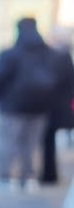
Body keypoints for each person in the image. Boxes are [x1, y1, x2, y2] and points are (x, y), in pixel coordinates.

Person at [0, 18, 58, 193]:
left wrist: (2, 99)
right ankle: (28, 178)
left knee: (9, 142)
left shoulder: (11, 53)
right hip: (40, 107)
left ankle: (6, 177)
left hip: (13, 106)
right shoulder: (48, 53)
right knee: (32, 144)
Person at [40, 28, 74, 186]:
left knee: (48, 141)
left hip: (55, 107)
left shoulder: (60, 57)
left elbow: (53, 82)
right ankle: (49, 174)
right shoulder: (64, 56)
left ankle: (49, 175)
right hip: (61, 105)